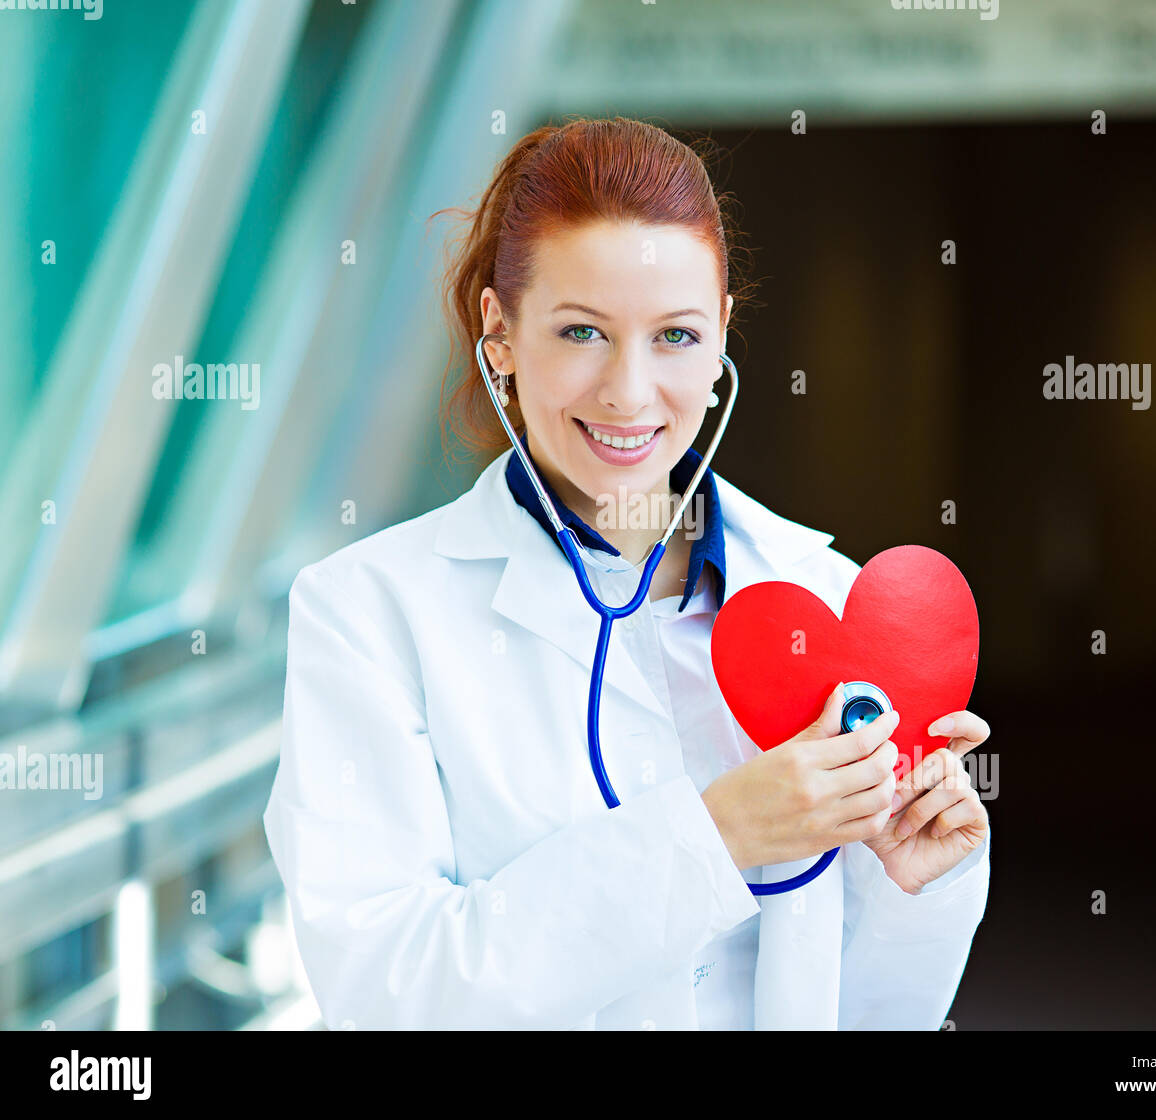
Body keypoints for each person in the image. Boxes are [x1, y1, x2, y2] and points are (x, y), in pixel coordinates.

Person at [263, 116, 992, 1031]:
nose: (629, 391)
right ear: (499, 333)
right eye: (581, 331)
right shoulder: (366, 615)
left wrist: (912, 882)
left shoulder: (831, 598)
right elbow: (389, 992)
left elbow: (882, 1015)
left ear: (724, 331)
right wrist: (719, 834)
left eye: (676, 337)